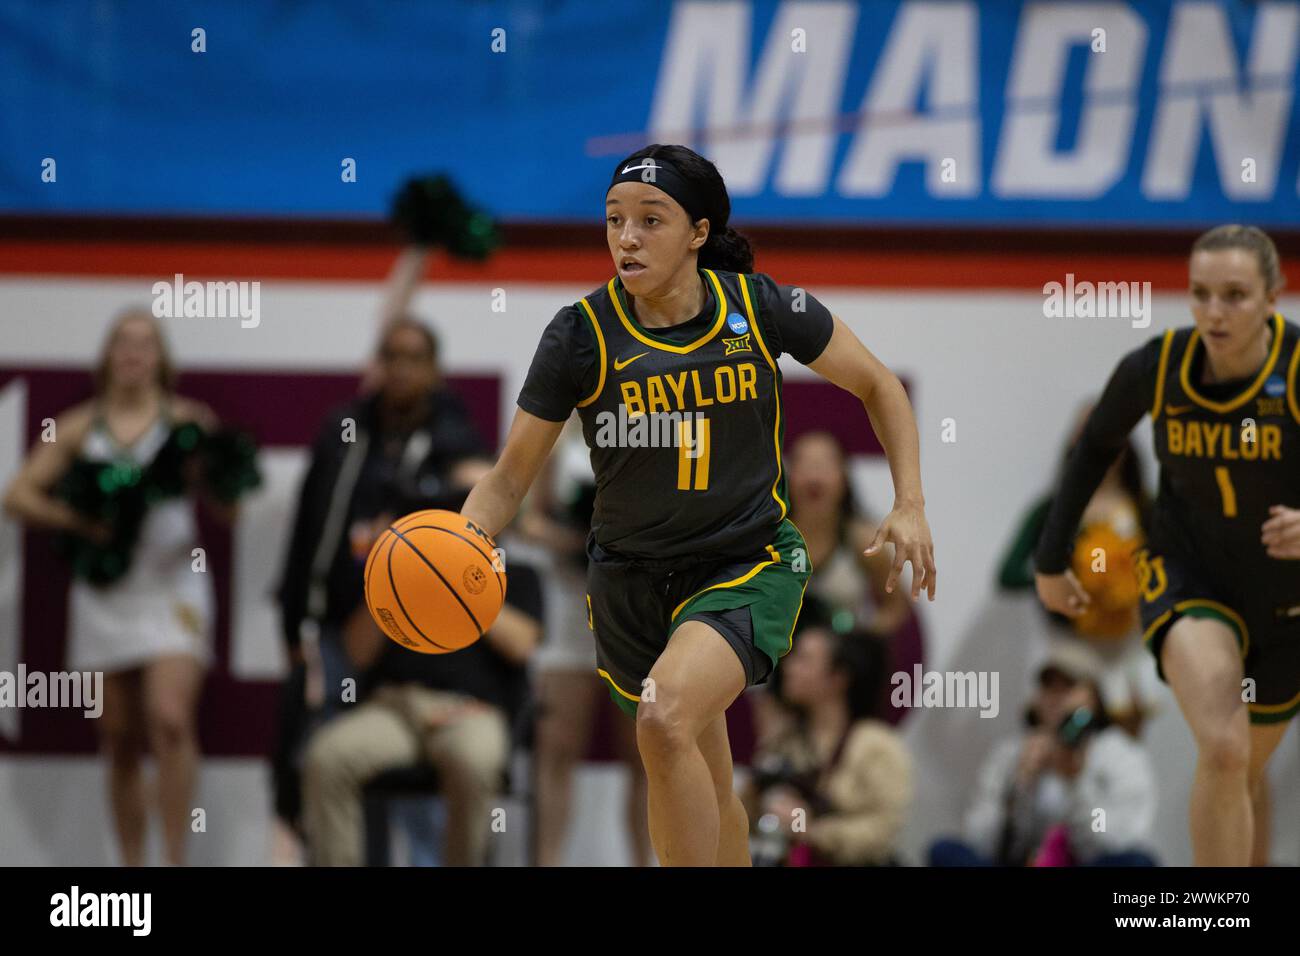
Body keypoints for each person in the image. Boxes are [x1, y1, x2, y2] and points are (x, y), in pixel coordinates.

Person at [460, 143, 936, 867]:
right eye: (615, 219)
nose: (627, 237)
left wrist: (909, 502)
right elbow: (506, 479)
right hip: (628, 585)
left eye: (652, 220)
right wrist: (461, 544)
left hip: (745, 564)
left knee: (664, 716)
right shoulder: (579, 335)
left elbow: (878, 385)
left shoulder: (763, 307)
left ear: (699, 233)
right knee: (710, 785)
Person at [1034, 225, 1300, 866]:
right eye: (1201, 294)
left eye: (1235, 295)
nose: (1214, 312)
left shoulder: (1294, 369)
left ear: (1273, 295)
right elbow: (1093, 448)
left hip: (1286, 598)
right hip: (1188, 575)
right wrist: (1049, 560)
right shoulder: (1157, 368)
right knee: (1226, 749)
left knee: (1242, 770)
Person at [3, 307, 222, 866]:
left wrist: (213, 473)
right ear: (107, 356)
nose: (133, 354)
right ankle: (132, 866)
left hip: (173, 586)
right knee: (119, 735)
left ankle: (176, 857)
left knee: (170, 718)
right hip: (104, 593)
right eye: (122, 344)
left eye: (144, 345)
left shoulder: (189, 421)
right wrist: (80, 522)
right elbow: (18, 495)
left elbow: (232, 503)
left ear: (161, 358)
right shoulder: (79, 426)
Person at [272, 316, 485, 842]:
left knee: (418, 775)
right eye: (391, 357)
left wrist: (407, 512)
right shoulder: (343, 430)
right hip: (339, 624)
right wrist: (294, 621)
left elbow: (483, 512)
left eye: (415, 358)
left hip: (415, 635)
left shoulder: (455, 434)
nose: (402, 370)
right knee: (324, 759)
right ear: (377, 365)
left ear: (435, 370)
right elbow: (309, 529)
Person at [301, 457, 542, 867]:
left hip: (472, 712)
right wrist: (389, 566)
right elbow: (357, 653)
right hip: (395, 708)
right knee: (327, 757)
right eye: (456, 497)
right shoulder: (404, 569)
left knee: (474, 761)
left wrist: (462, 582)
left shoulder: (518, 574)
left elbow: (522, 645)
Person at [517, 417, 651, 867]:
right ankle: (548, 859)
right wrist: (579, 543)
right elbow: (527, 520)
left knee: (646, 753)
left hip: (634, 606)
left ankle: (647, 859)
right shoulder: (554, 433)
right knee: (556, 747)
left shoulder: (653, 425)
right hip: (568, 604)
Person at [999, 407, 1160, 736]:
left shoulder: (1146, 509)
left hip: (1126, 650)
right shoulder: (1053, 509)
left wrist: (1133, 587)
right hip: (1068, 649)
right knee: (1064, 735)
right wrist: (1057, 581)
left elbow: (1173, 569)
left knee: (1121, 741)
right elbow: (1008, 574)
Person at [930, 640, 1157, 867]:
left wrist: (1077, 782)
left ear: (1094, 698)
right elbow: (980, 843)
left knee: (1137, 862)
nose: (1056, 697)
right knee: (944, 850)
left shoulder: (1118, 755)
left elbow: (1108, 842)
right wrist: (1018, 788)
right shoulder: (1011, 753)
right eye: (1048, 686)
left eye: (1068, 686)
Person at [746, 624, 911, 866]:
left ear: (837, 678)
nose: (790, 668)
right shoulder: (787, 739)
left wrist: (813, 831)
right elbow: (752, 811)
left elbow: (883, 827)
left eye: (804, 659)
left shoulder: (876, 746)